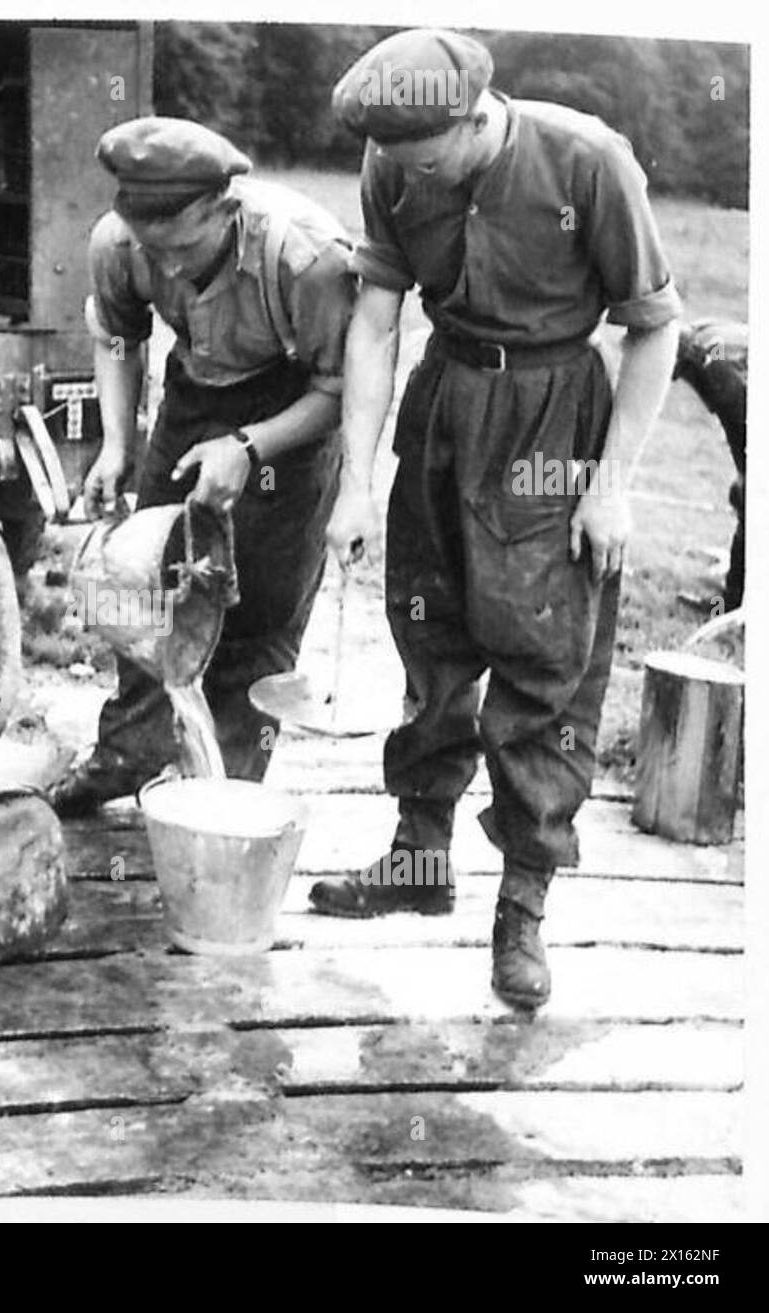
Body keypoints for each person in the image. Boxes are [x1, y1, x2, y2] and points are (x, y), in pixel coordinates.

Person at [316, 29, 682, 1011]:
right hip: (445, 408)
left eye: (425, 160)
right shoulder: (391, 159)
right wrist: (354, 480)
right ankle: (417, 861)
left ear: (476, 118)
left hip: (554, 420)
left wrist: (608, 483)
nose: (408, 176)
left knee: (542, 664)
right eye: (397, 161)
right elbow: (377, 313)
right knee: (429, 641)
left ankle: (522, 903)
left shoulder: (586, 161)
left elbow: (654, 327)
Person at [47, 117, 357, 814]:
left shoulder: (308, 259)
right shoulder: (119, 243)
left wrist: (249, 449)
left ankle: (224, 793)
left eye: (186, 246)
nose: (172, 266)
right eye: (156, 250)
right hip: (192, 399)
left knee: (262, 609)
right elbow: (118, 338)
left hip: (290, 414)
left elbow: (344, 391)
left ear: (227, 208)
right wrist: (119, 444)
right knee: (149, 589)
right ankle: (127, 753)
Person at [671, 319, 747, 610]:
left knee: (749, 499)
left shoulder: (710, 368)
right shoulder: (707, 338)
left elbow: (737, 414)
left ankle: (733, 602)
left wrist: (744, 474)